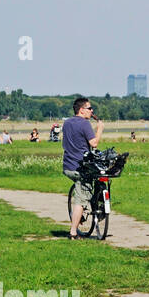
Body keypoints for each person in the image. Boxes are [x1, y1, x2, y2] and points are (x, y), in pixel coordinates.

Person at [62, 97, 103, 239]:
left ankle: (83, 212)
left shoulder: (66, 123)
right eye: (89, 108)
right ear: (81, 110)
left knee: (83, 192)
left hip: (67, 166)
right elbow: (94, 143)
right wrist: (99, 129)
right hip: (80, 167)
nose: (92, 111)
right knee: (80, 199)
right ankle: (73, 232)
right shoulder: (85, 124)